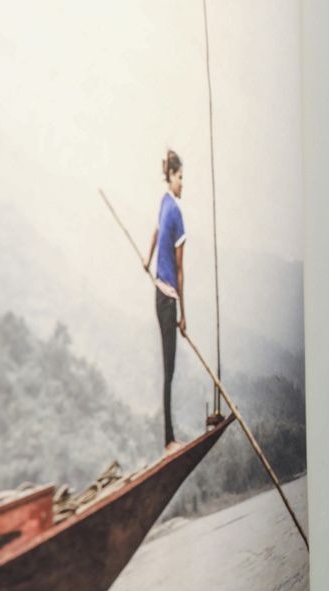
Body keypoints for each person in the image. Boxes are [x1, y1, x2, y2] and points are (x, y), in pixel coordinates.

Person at [144, 150, 187, 453]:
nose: (183, 184)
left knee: (167, 369)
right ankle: (169, 440)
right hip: (169, 300)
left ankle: (168, 437)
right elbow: (181, 271)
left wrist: (148, 260)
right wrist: (184, 316)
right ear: (171, 176)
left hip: (158, 294)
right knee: (169, 370)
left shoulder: (163, 203)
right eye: (181, 177)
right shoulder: (177, 213)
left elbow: (156, 234)